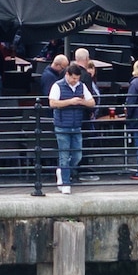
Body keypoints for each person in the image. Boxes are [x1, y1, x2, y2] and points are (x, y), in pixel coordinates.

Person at [49, 62, 95, 193]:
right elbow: (52, 103)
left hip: (76, 125)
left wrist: (82, 102)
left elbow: (92, 102)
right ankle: (65, 183)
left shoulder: (82, 86)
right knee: (63, 155)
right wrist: (70, 101)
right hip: (62, 125)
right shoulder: (57, 86)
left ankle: (62, 171)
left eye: (77, 79)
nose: (75, 81)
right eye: (73, 78)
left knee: (77, 155)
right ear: (67, 75)